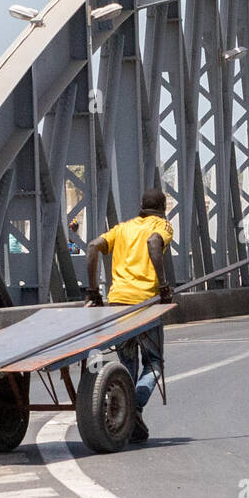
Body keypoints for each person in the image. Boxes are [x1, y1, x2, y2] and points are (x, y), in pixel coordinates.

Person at [84, 189, 175, 444]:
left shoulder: (122, 228)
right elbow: (153, 243)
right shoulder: (163, 225)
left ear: (141, 206)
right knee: (154, 362)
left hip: (117, 304)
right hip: (145, 304)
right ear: (163, 207)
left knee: (128, 365)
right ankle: (133, 407)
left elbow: (92, 247)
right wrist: (163, 285)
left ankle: (129, 416)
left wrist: (93, 291)